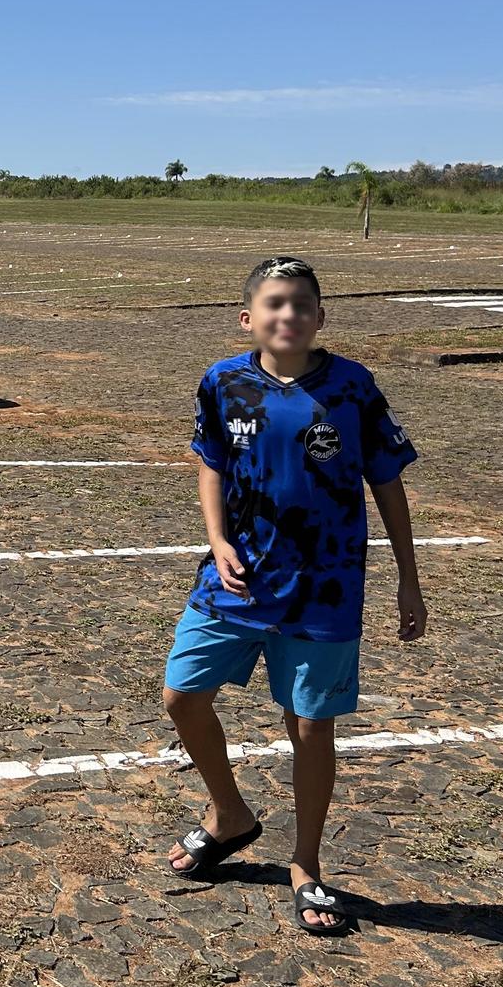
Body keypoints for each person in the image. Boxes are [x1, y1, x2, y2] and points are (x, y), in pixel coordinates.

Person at [160, 256, 426, 935]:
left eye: (302, 304)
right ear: (248, 317)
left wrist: (408, 577)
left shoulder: (352, 388)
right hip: (236, 577)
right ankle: (229, 814)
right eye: (275, 303)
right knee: (182, 695)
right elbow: (211, 464)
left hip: (325, 585)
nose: (289, 315)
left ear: (319, 317)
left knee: (309, 725)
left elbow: (387, 483)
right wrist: (216, 540)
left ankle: (305, 864)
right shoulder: (224, 382)